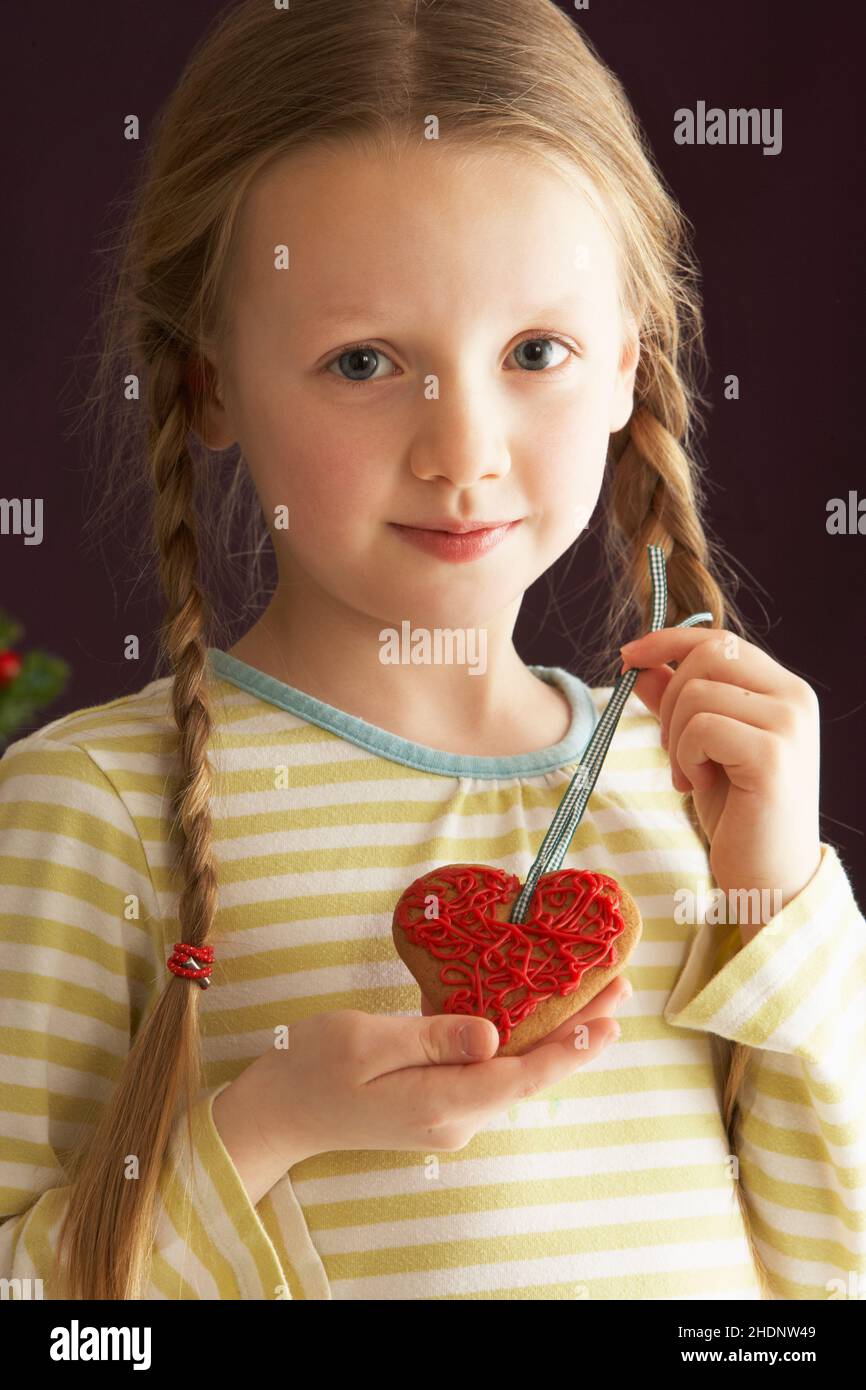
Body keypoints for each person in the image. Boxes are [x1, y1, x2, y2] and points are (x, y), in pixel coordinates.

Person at [1, 0, 863, 1301]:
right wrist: (263, 1127)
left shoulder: (696, 797)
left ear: (627, 365)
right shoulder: (94, 814)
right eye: (361, 360)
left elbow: (824, 1283)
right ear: (208, 381)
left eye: (533, 351)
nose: (461, 450)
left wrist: (779, 903)